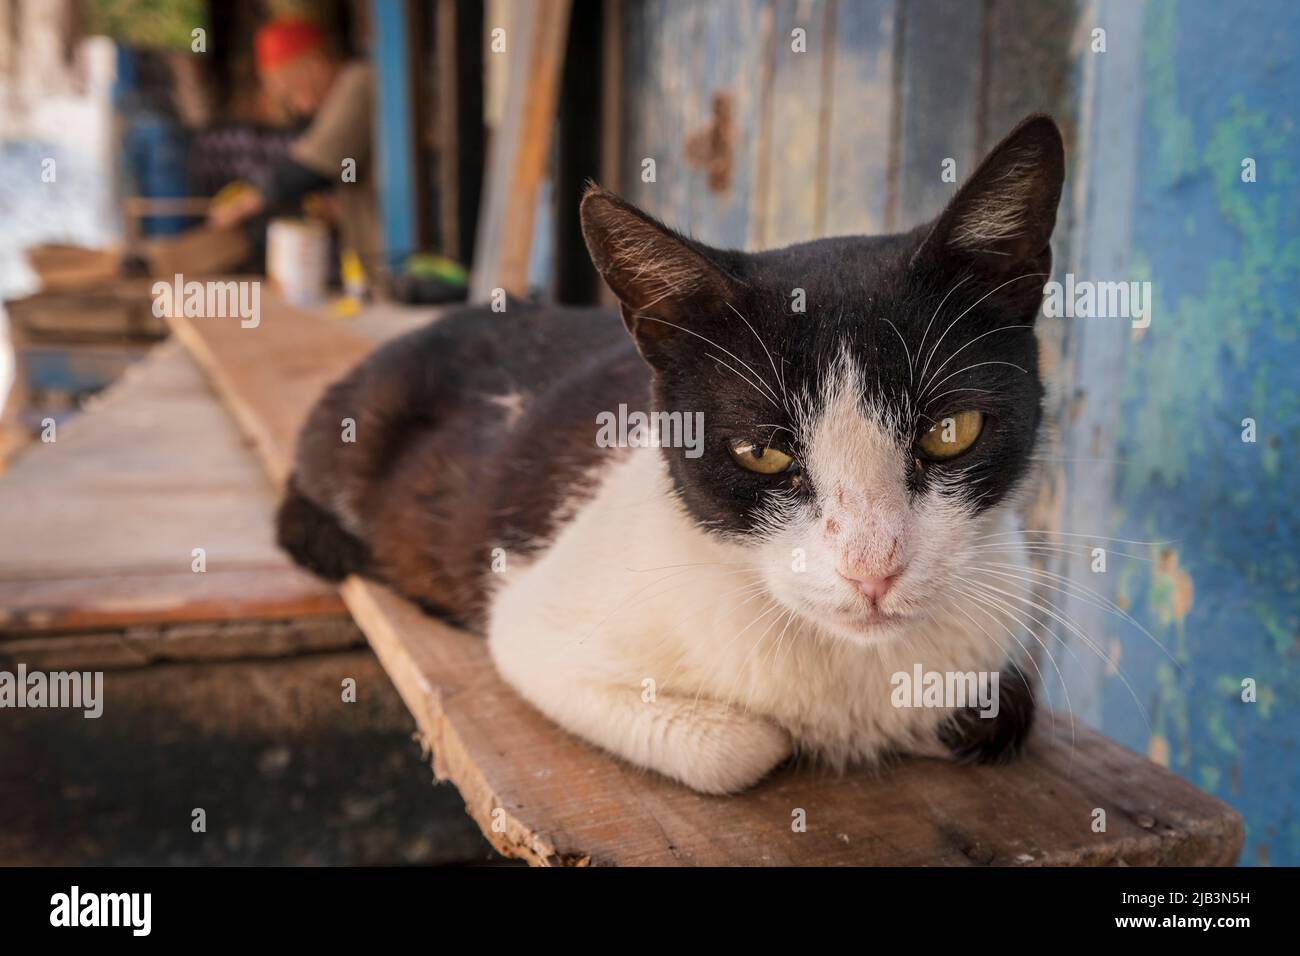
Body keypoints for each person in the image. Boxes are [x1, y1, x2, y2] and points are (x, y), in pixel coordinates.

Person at [209, 17, 378, 276]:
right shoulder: (329, 105)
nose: (295, 106)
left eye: (291, 93)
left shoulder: (358, 81)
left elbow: (308, 168)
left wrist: (248, 199)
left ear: (314, 65)